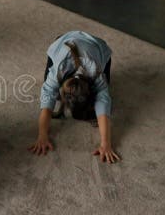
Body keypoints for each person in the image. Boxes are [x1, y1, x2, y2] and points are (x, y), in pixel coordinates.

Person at [29, 31, 120, 163]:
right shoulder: (58, 71)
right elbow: (46, 107)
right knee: (48, 87)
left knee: (106, 95)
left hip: (96, 46)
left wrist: (106, 144)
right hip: (62, 42)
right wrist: (42, 136)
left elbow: (103, 110)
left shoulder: (96, 75)